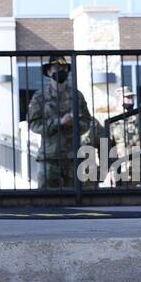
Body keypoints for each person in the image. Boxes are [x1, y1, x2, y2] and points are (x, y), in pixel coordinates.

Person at [26, 57, 97, 189]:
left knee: (74, 199)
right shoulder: (40, 97)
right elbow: (34, 124)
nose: (61, 71)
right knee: (47, 201)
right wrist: (59, 122)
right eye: (57, 68)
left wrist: (74, 124)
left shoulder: (77, 95)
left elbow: (87, 121)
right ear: (48, 71)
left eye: (64, 68)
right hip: (49, 158)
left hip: (72, 157)